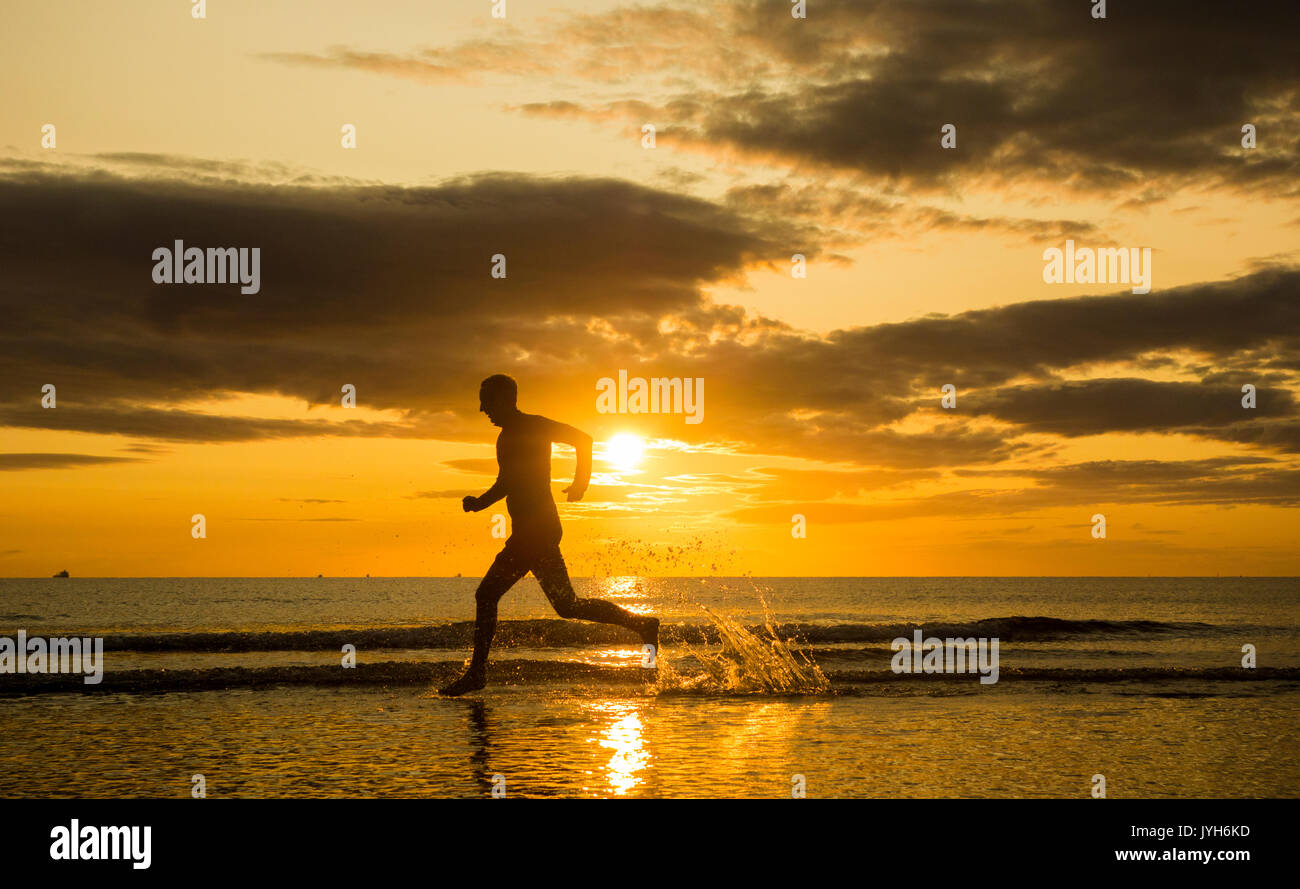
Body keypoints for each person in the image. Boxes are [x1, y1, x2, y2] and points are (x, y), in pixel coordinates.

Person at [439, 374, 659, 696]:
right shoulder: (506, 437)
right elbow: (508, 480)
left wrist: (581, 481)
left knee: (486, 595)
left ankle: (477, 673)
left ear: (504, 399)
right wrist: (480, 503)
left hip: (535, 531)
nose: (482, 408)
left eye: (486, 400)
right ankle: (642, 625)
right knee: (567, 605)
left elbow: (583, 439)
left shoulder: (534, 425)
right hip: (533, 530)